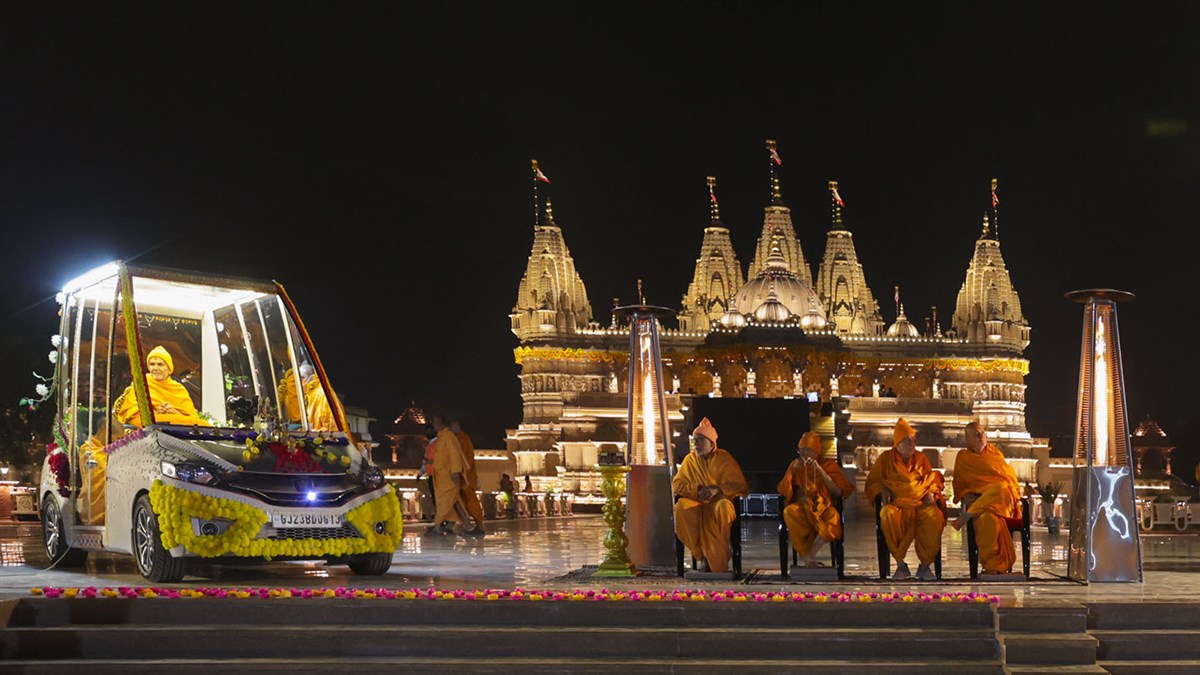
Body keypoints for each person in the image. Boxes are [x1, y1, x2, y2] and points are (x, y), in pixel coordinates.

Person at [865, 418, 946, 581]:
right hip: (898, 506)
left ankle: (925, 566)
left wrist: (931, 492)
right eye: (907, 440)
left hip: (921, 504)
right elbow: (872, 483)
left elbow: (932, 480)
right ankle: (901, 565)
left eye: (913, 440)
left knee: (935, 517)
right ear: (897, 443)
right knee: (886, 514)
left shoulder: (921, 458)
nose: (911, 443)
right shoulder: (886, 459)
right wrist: (883, 490)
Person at [672, 417, 749, 573]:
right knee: (681, 507)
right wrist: (697, 489)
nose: (696, 444)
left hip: (718, 502)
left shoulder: (724, 459)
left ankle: (714, 559)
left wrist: (717, 490)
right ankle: (703, 556)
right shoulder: (689, 460)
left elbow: (739, 486)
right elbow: (677, 485)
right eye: (695, 440)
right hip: (697, 502)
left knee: (723, 507)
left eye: (700, 440)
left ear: (712, 443)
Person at [952, 422, 1021, 574]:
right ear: (967, 440)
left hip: (1003, 501)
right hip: (983, 507)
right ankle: (993, 567)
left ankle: (969, 514)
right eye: (975, 434)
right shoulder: (963, 457)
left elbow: (1009, 482)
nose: (980, 436)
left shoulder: (996, 454)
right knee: (988, 519)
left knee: (1001, 487)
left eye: (982, 432)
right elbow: (961, 486)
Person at [778, 431, 855, 568]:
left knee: (833, 518)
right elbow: (784, 490)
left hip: (822, 506)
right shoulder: (795, 465)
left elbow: (837, 491)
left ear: (816, 452)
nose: (804, 454)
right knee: (789, 512)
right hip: (801, 506)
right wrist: (792, 473)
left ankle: (810, 554)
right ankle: (807, 556)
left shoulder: (828, 465)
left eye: (808, 450)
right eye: (801, 450)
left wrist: (819, 470)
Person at [114, 345, 209, 427]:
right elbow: (130, 413)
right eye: (152, 364)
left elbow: (191, 417)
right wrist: (154, 413)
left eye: (160, 364)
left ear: (169, 369)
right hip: (149, 422)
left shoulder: (178, 388)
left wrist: (174, 412)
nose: (155, 368)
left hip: (175, 421)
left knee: (203, 424)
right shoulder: (141, 383)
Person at [427, 413, 468, 536]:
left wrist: (455, 472)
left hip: (449, 476)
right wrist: (431, 462)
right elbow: (442, 458)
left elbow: (454, 455)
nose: (433, 426)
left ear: (439, 423)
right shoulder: (441, 437)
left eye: (434, 423)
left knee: (445, 502)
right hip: (442, 477)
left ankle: (437, 526)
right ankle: (467, 526)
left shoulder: (448, 436)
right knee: (453, 502)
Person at [451, 418, 485, 537]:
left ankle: (479, 525)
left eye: (453, 426)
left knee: (471, 501)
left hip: (467, 476)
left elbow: (464, 459)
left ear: (458, 426)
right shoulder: (458, 439)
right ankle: (469, 524)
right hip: (463, 477)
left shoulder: (463, 439)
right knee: (464, 501)